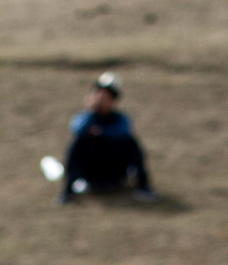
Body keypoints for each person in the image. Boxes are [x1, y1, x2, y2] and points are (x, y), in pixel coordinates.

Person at [58, 72, 157, 204]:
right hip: (90, 176)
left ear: (114, 100)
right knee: (78, 143)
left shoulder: (120, 118)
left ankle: (143, 188)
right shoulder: (86, 117)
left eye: (106, 96)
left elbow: (124, 130)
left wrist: (101, 132)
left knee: (130, 142)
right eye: (98, 94)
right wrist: (90, 112)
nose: (101, 99)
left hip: (115, 174)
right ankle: (68, 192)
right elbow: (77, 129)